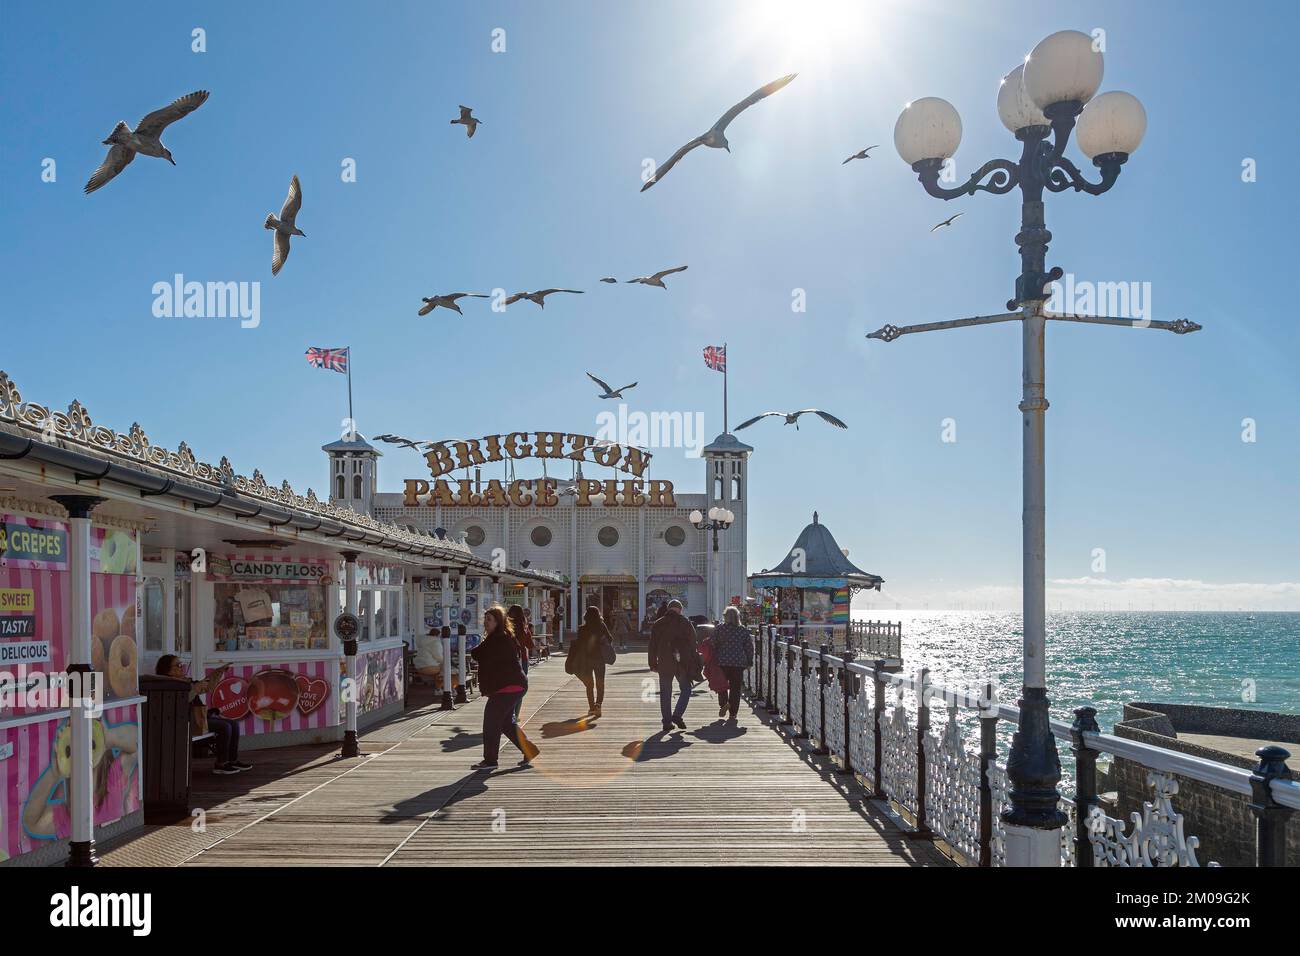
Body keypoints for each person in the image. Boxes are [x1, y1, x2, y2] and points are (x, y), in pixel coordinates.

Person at [468, 606, 540, 771]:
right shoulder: (503, 636)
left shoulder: (498, 638)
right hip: (514, 685)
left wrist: (484, 641)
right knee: (506, 723)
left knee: (491, 722)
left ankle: (490, 760)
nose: (485, 623)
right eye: (485, 619)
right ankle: (530, 750)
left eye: (489, 620)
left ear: (498, 622)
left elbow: (476, 654)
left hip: (508, 687)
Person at [156, 654, 251, 774]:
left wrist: (218, 672)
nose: (182, 667)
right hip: (186, 722)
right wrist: (195, 689)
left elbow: (207, 686)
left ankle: (232, 760)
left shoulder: (185, 682)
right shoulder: (169, 685)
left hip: (197, 718)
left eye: (182, 665)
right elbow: (178, 702)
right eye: (179, 665)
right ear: (168, 670)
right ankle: (221, 764)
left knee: (233, 724)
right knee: (225, 727)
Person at [648, 599, 697, 732]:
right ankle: (677, 715)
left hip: (664, 662)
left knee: (665, 693)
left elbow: (652, 646)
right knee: (686, 689)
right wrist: (693, 660)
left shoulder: (658, 624)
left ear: (669, 609)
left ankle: (667, 722)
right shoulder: (685, 622)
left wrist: (652, 663)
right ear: (680, 610)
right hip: (682, 663)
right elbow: (693, 642)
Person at [712, 606, 754, 721]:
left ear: (725, 617)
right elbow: (749, 647)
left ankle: (724, 703)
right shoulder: (743, 630)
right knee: (735, 688)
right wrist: (750, 661)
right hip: (738, 663)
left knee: (722, 686)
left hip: (722, 662)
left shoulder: (720, 629)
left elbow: (713, 644)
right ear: (737, 617)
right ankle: (733, 713)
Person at [570, 605, 611, 717]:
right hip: (600, 659)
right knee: (600, 683)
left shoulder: (582, 629)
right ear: (598, 615)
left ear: (586, 616)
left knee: (589, 685)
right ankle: (598, 705)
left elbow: (579, 644)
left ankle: (591, 707)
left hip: (586, 660)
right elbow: (610, 639)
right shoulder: (602, 626)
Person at [505, 604, 533, 721]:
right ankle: (515, 715)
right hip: (522, 661)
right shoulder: (524, 628)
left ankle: (508, 713)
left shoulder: (505, 628)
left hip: (507, 661)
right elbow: (530, 645)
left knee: (508, 687)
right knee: (520, 687)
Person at [696, 622, 729, 718]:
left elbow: (703, 653)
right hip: (726, 664)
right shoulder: (726, 641)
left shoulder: (708, 641)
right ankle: (725, 704)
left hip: (714, 666)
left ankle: (723, 705)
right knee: (724, 686)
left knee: (720, 688)